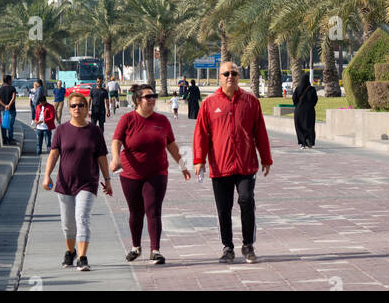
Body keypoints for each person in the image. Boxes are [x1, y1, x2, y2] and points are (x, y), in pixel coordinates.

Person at [193, 61, 272, 265]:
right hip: (220, 167)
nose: (230, 76)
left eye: (234, 73)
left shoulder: (251, 102)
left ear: (239, 76)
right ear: (219, 77)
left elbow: (260, 132)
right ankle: (228, 247)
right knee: (224, 209)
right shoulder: (209, 104)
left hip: (246, 165)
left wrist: (266, 158)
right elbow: (201, 134)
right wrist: (199, 160)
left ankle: (248, 245)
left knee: (246, 200)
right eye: (226, 73)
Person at [110, 83, 190, 266]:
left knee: (153, 210)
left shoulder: (162, 120)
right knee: (135, 212)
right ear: (138, 100)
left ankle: (155, 250)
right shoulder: (127, 119)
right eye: (148, 97)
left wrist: (183, 165)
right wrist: (115, 159)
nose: (153, 99)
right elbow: (117, 141)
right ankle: (136, 247)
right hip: (130, 174)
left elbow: (171, 145)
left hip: (157, 173)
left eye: (154, 96)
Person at [43, 90, 112, 272]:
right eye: (73, 106)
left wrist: (107, 179)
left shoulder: (94, 131)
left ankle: (82, 257)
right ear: (69, 109)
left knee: (82, 217)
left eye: (81, 105)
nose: (77, 109)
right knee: (68, 223)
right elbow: (54, 154)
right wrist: (46, 175)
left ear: (87, 108)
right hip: (65, 182)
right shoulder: (61, 130)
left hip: (88, 183)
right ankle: (70, 251)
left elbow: (102, 156)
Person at [292, 71, 318, 149]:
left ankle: (302, 142)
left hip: (299, 110)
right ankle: (310, 141)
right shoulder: (312, 89)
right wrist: (310, 106)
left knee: (299, 126)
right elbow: (315, 99)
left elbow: (294, 99)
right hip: (309, 111)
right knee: (309, 126)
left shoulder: (298, 89)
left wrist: (298, 105)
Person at [0, 74, 17, 145]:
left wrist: (5, 105)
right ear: (8, 80)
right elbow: (13, 98)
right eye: (11, 79)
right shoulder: (12, 88)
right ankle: (10, 139)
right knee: (11, 125)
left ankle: (5, 139)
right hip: (11, 109)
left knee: (4, 125)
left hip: (3, 109)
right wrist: (9, 105)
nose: (12, 81)